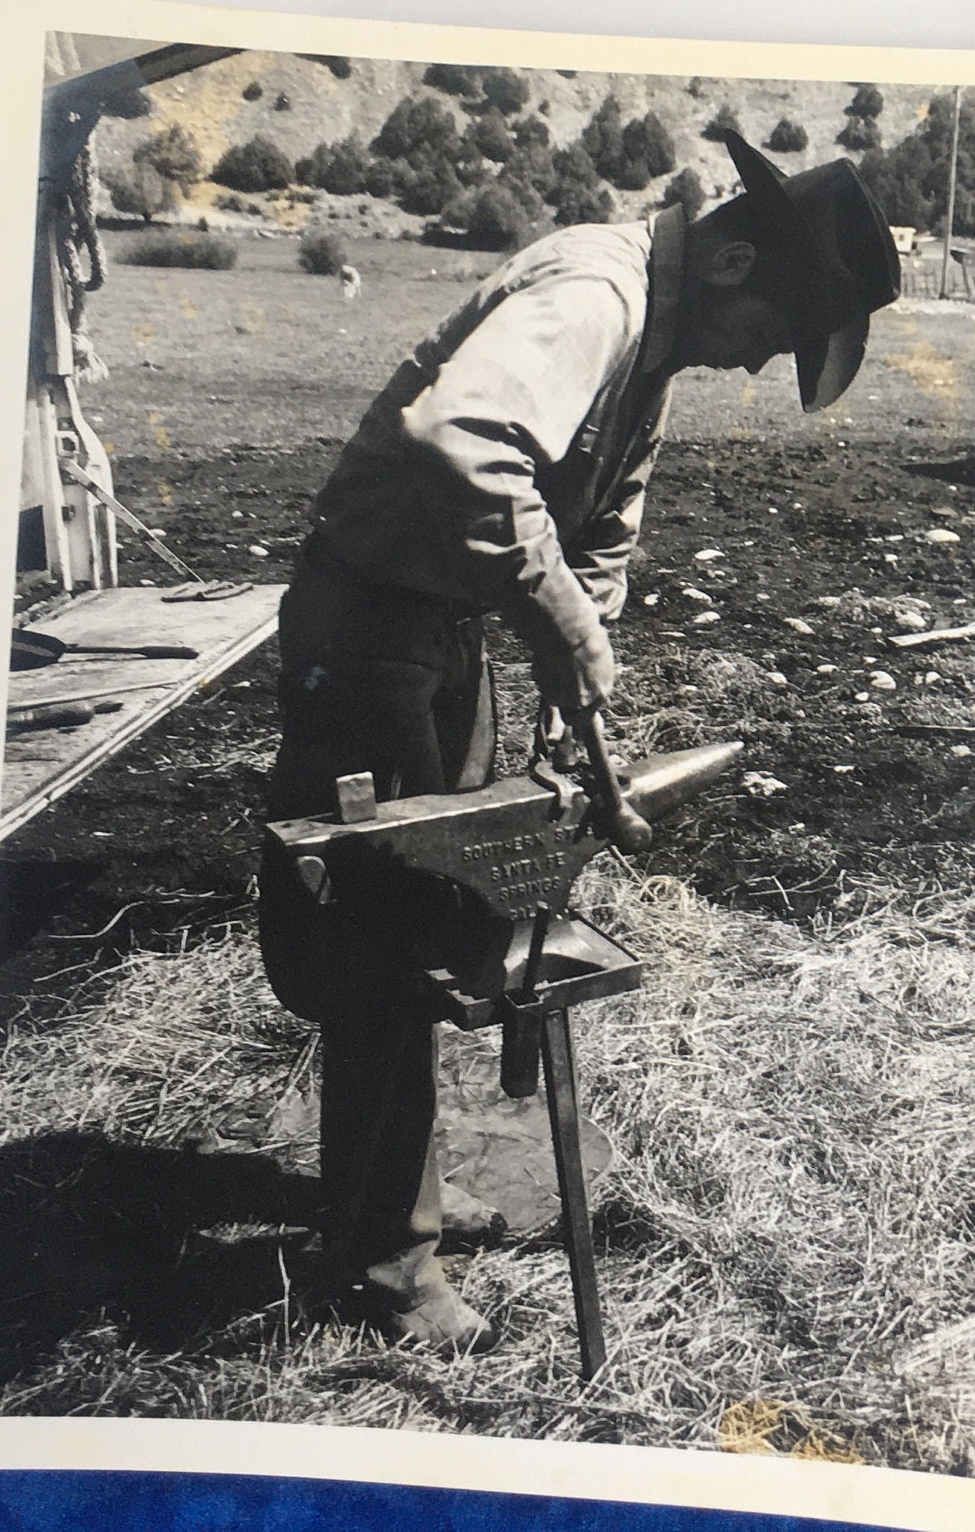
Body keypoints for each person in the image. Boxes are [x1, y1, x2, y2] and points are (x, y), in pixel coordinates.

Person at [258, 124, 901, 1350]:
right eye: (770, 336)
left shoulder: (647, 353)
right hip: (374, 618)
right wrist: (553, 613)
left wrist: (579, 661)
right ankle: (385, 1264)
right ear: (728, 265)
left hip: (446, 627)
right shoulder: (597, 294)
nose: (758, 365)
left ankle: (379, 1211)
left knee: (435, 915)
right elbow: (462, 442)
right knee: (387, 928)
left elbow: (602, 525)